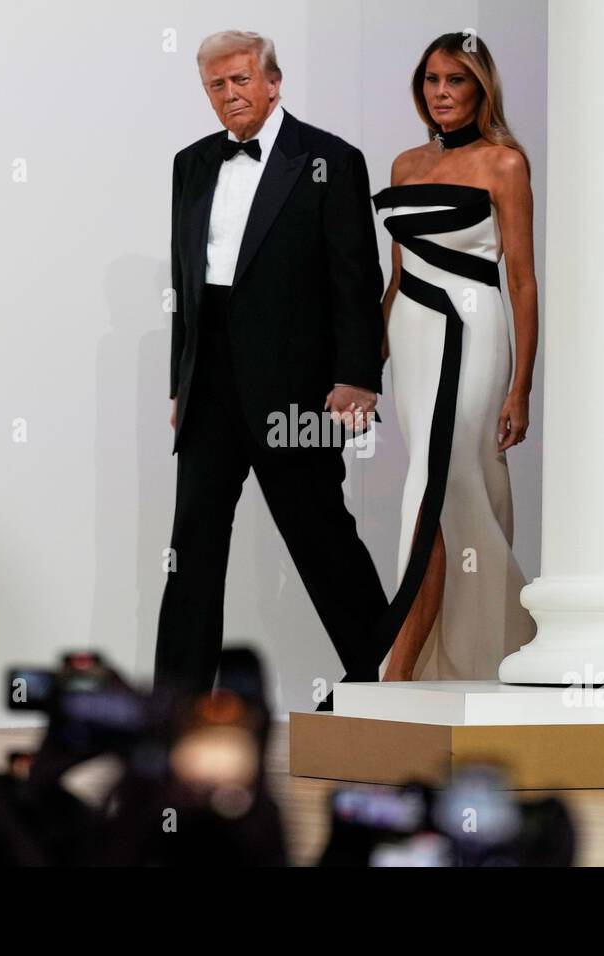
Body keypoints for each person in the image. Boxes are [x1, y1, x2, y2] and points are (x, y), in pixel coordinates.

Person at [155, 31, 389, 706]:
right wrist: (182, 378)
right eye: (215, 85)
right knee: (193, 544)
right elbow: (186, 281)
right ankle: (175, 706)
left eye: (240, 81)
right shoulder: (191, 163)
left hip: (299, 386)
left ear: (273, 82)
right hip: (210, 383)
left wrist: (357, 378)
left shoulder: (329, 159)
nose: (229, 95)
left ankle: (382, 680)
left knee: (321, 533)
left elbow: (355, 278)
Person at [373, 32, 539, 680]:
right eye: (432, 80)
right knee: (450, 490)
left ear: (481, 88)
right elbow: (397, 276)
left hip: (474, 332)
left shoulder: (504, 163)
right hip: (412, 337)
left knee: (438, 486)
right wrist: (369, 363)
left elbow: (521, 279)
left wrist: (521, 386)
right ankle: (493, 651)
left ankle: (398, 668)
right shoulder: (405, 166)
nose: (441, 93)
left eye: (456, 81)